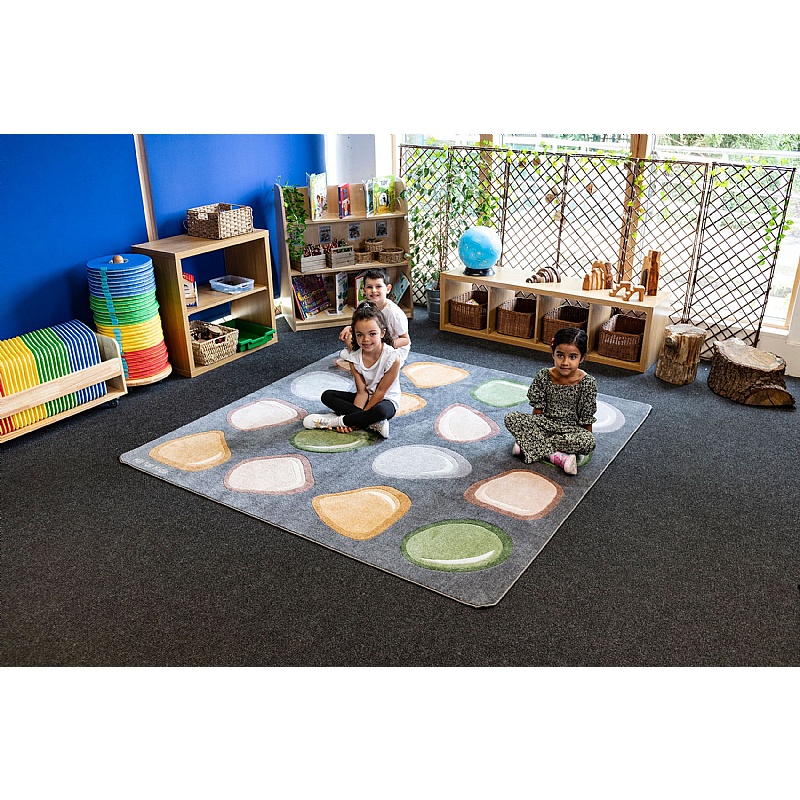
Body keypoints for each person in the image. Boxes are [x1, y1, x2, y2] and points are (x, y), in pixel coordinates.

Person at [504, 327, 597, 475]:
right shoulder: (543, 376)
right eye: (560, 355)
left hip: (570, 429)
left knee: (588, 441)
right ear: (553, 353)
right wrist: (533, 427)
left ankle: (528, 445)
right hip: (545, 424)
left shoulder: (587, 382)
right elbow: (537, 411)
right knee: (511, 418)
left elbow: (587, 417)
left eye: (572, 357)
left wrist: (587, 441)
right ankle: (556, 457)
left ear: (582, 358)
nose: (565, 362)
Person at [304, 302, 401, 439]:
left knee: (380, 410)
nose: (366, 340)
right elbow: (362, 393)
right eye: (360, 335)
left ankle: (335, 421)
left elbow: (380, 392)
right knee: (327, 396)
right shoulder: (354, 358)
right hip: (366, 398)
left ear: (382, 333)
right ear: (354, 335)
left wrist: (355, 420)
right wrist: (360, 417)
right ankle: (373, 424)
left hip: (385, 401)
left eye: (372, 334)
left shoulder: (392, 358)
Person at [338, 268, 410, 364]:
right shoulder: (366, 306)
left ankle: (358, 357)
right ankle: (360, 356)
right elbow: (363, 326)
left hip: (392, 348)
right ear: (364, 290)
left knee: (381, 363)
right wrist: (349, 328)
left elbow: (405, 340)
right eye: (369, 287)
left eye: (378, 286)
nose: (374, 290)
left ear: (388, 289)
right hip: (373, 341)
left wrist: (383, 346)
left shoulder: (394, 313)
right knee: (348, 337)